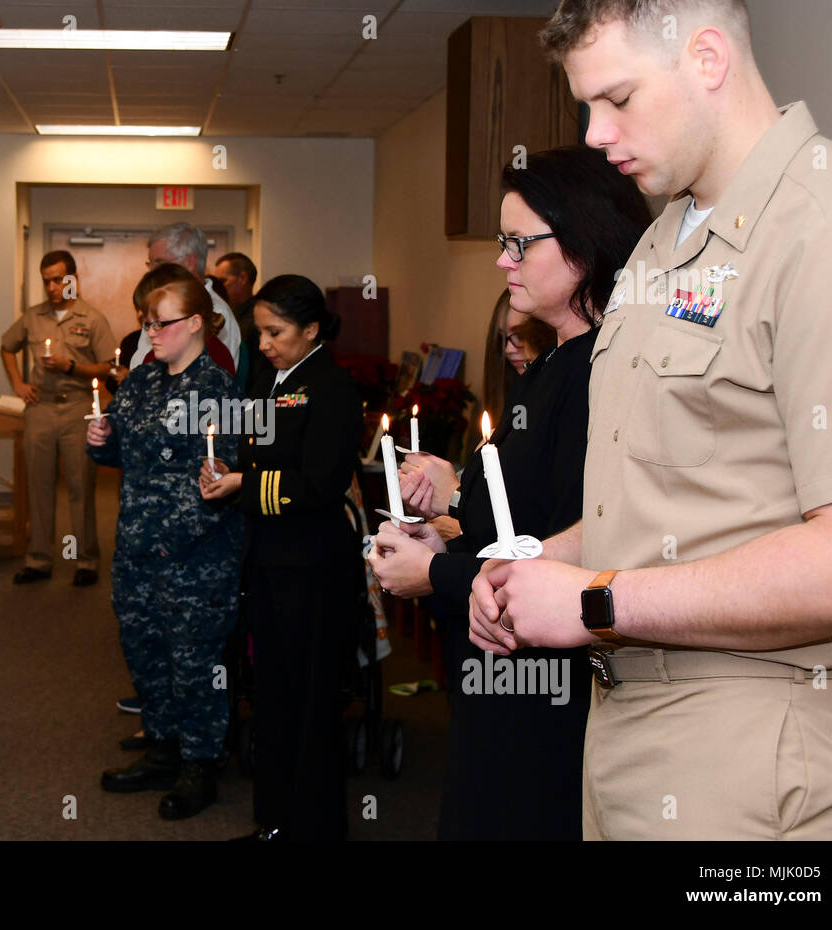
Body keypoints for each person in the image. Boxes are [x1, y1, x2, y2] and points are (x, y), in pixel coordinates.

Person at [465, 0, 832, 840]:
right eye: (585, 105)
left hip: (761, 757)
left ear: (709, 59)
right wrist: (541, 565)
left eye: (616, 98)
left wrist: (594, 604)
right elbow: (666, 499)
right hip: (635, 735)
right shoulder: (665, 242)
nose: (597, 133)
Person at [369, 146, 651, 840]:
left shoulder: (598, 375)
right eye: (503, 244)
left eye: (520, 244)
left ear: (585, 244)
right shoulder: (555, 363)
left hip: (547, 693)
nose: (503, 262)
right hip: (505, 673)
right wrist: (448, 532)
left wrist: (432, 572)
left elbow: (585, 557)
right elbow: (518, 524)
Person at [200, 274, 362, 841]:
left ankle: (314, 830)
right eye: (259, 331)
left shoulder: (332, 387)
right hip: (268, 560)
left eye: (275, 331)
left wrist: (243, 485)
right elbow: (255, 455)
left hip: (313, 566)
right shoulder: (272, 381)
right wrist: (225, 473)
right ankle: (273, 822)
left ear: (311, 329)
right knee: (272, 695)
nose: (263, 343)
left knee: (311, 701)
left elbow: (319, 483)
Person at [88, 275, 242, 820]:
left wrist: (170, 539)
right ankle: (162, 747)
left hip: (193, 557)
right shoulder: (142, 380)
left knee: (193, 663)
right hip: (136, 546)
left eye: (162, 323)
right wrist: (102, 444)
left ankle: (201, 765)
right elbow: (122, 453)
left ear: (196, 323)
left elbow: (220, 477)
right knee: (145, 651)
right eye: (147, 323)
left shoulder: (218, 390)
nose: (151, 332)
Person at [1, 250, 117, 586]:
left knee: (81, 485)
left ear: (73, 280)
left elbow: (109, 365)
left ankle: (86, 560)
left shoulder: (92, 318)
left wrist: (72, 367)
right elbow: (7, 347)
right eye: (46, 281)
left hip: (77, 406)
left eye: (58, 279)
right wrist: (18, 384)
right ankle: (38, 559)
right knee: (38, 484)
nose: (52, 287)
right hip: (40, 407)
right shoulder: (33, 317)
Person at [129, 224, 241, 372]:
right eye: (151, 263)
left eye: (160, 263)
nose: (152, 271)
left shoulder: (214, 309)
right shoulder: (162, 307)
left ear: (190, 262)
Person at [214, 251, 271, 393]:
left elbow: (258, 370)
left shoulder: (258, 316)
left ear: (242, 278)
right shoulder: (230, 311)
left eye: (223, 281)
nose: (220, 288)